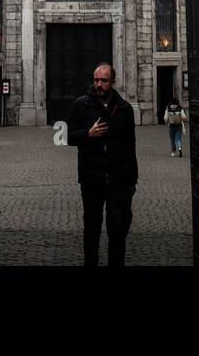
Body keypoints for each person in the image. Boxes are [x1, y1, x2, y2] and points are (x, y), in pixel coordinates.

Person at [67, 62, 138, 268]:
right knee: (92, 229)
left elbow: (130, 146)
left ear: (113, 82)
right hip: (92, 179)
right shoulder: (80, 105)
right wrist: (87, 134)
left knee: (117, 230)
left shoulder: (124, 109)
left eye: (104, 81)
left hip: (118, 179)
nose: (99, 84)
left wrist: (132, 180)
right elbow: (65, 137)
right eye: (96, 80)